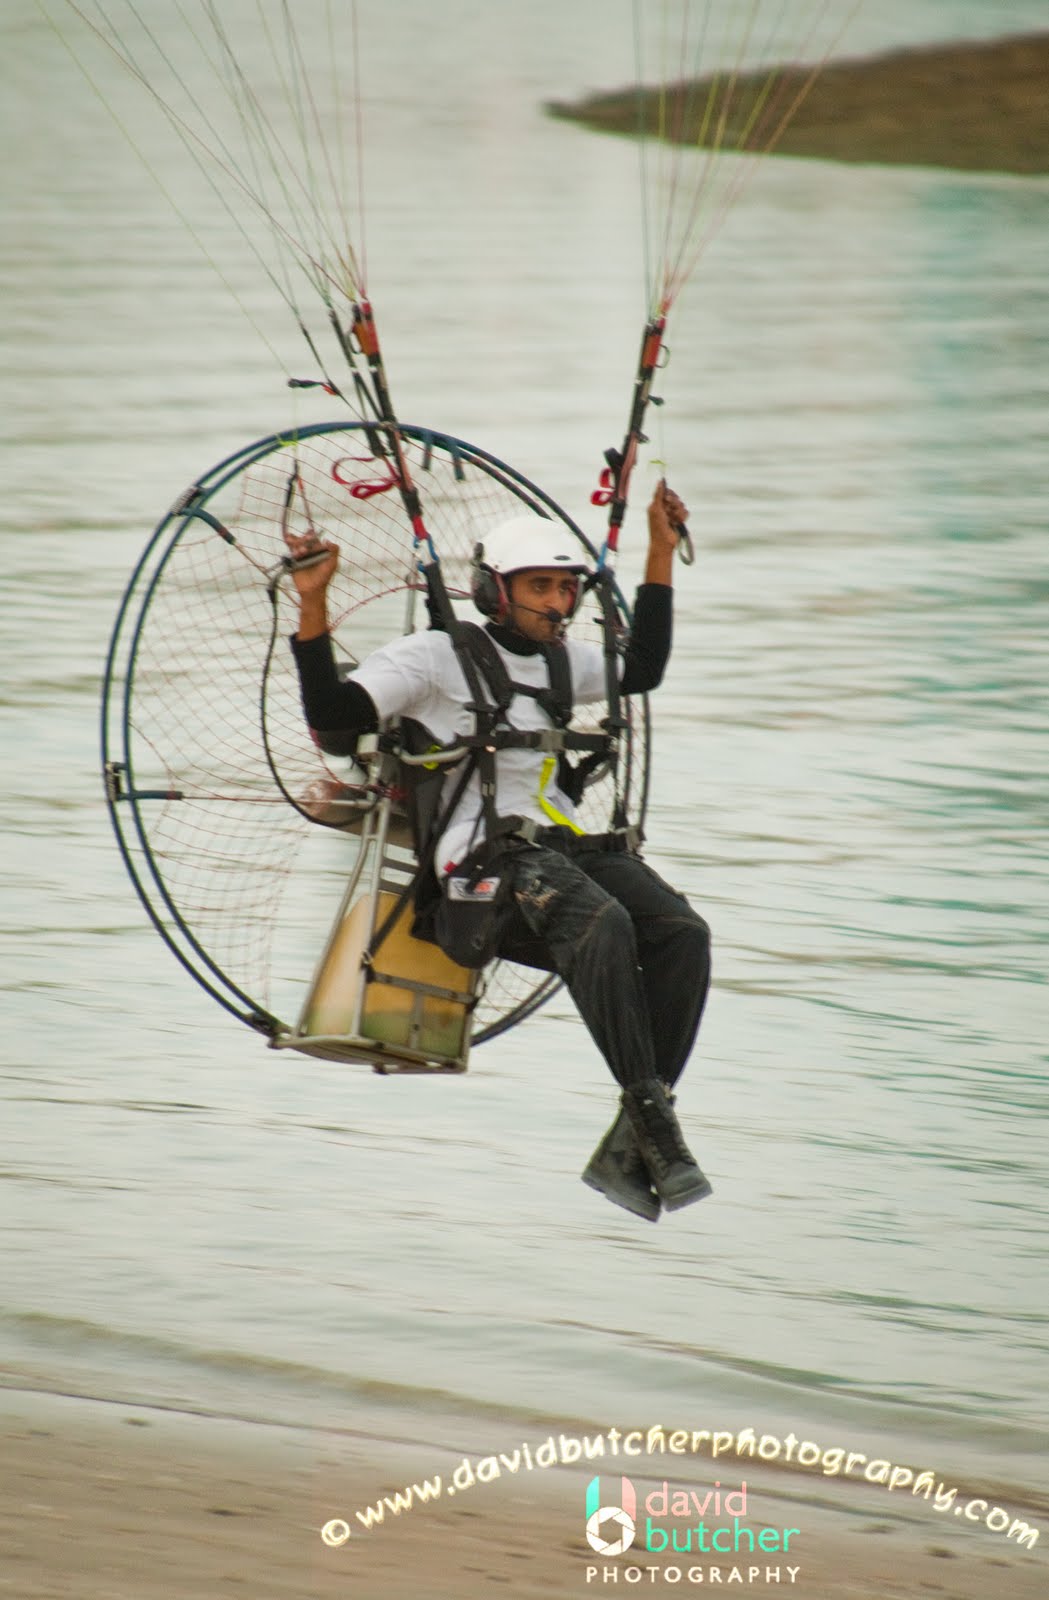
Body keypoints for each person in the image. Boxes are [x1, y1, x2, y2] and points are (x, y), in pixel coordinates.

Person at [288, 482, 712, 1221]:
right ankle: (656, 1133)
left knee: (682, 935)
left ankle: (635, 1136)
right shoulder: (432, 659)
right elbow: (332, 719)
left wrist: (656, 549)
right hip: (478, 867)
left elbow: (641, 666)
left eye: (565, 588)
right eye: (538, 587)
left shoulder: (560, 664)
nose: (555, 602)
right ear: (493, 590)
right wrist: (313, 602)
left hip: (563, 851)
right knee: (601, 923)